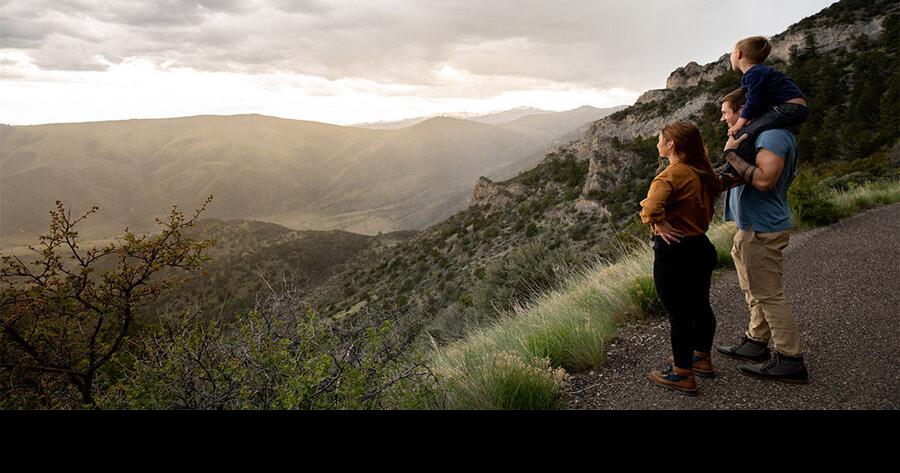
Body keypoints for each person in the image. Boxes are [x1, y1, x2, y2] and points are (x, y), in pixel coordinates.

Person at [716, 88, 810, 384]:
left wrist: (730, 154)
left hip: (763, 229)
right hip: (749, 228)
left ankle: (790, 358)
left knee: (768, 294)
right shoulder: (758, 137)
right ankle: (756, 341)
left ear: (744, 111)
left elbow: (765, 180)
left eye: (726, 112)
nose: (723, 118)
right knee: (752, 289)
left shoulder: (772, 137)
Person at [640, 122, 722, 396]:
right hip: (700, 246)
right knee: (700, 306)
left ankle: (682, 374)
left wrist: (658, 222)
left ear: (671, 144)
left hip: (675, 252)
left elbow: (651, 207)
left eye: (660, 140)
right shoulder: (702, 172)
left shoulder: (671, 175)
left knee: (679, 314)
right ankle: (701, 357)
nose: (657, 144)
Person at [717, 35, 809, 188]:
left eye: (732, 53)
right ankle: (730, 169)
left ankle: (731, 172)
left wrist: (738, 124)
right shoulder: (757, 73)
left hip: (789, 108)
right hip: (789, 108)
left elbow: (753, 102)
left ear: (739, 54)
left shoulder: (754, 73)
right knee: (748, 132)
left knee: (744, 133)